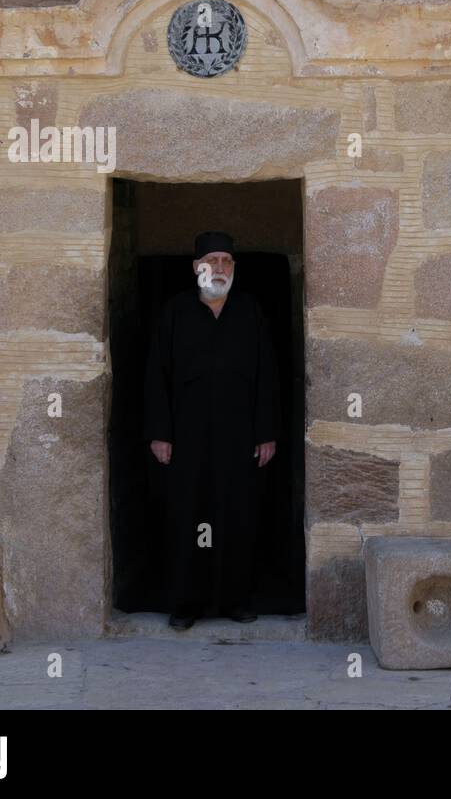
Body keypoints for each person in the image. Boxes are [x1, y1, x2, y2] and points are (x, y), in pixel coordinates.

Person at [144, 231, 280, 630]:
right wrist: (159, 433)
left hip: (239, 438)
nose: (219, 267)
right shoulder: (174, 314)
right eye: (212, 260)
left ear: (233, 268)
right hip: (186, 439)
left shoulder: (250, 313)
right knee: (189, 518)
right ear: (196, 267)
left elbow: (267, 377)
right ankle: (187, 604)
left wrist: (266, 432)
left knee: (235, 517)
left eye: (226, 261)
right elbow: (156, 376)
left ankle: (234, 601)